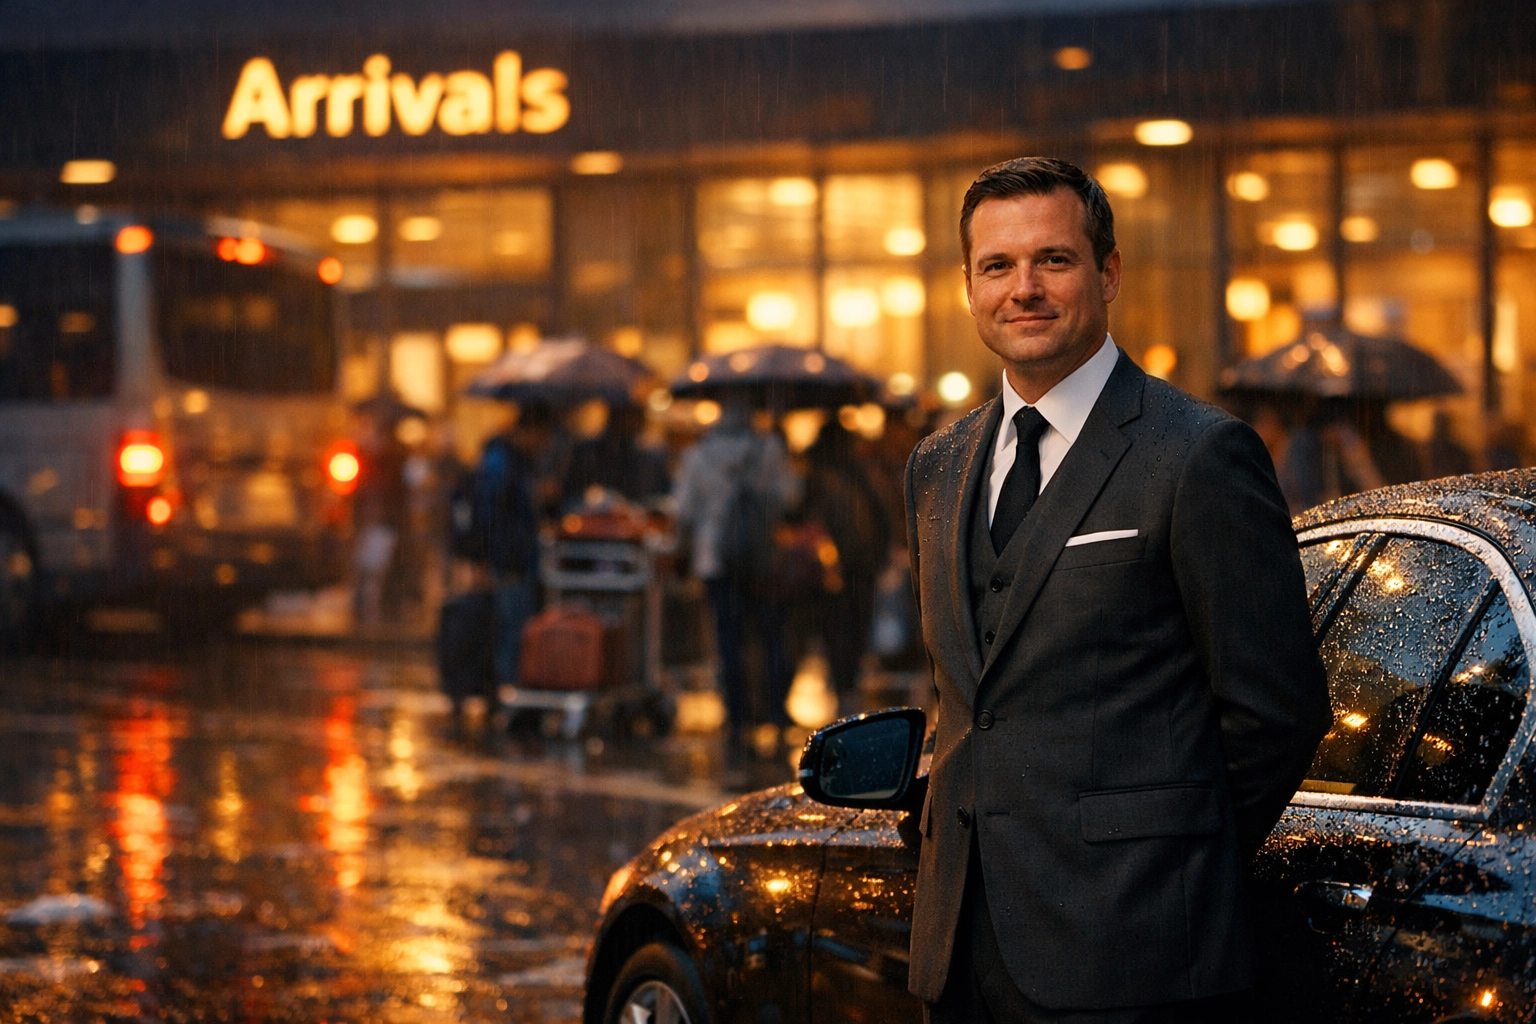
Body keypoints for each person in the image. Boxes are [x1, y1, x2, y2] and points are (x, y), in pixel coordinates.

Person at [903, 157, 1331, 1022]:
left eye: (1053, 260)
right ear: (969, 287)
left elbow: (1275, 712)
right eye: (997, 266)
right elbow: (972, 697)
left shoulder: (1199, 454)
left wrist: (1159, 867)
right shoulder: (937, 467)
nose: (1024, 288)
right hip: (956, 959)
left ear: (1108, 273)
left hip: (1134, 959)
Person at [673, 397, 801, 747]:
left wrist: (684, 545)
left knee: (728, 639)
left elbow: (683, 510)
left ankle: (737, 717)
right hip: (760, 558)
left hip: (715, 559)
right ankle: (774, 710)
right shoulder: (768, 448)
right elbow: (790, 496)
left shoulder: (698, 455)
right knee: (770, 634)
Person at [800, 418, 892, 697]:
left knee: (835, 627)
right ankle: (847, 681)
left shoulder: (816, 475)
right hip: (857, 563)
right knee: (854, 624)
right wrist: (880, 555)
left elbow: (802, 517)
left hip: (833, 566)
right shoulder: (859, 474)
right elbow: (882, 515)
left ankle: (843, 681)